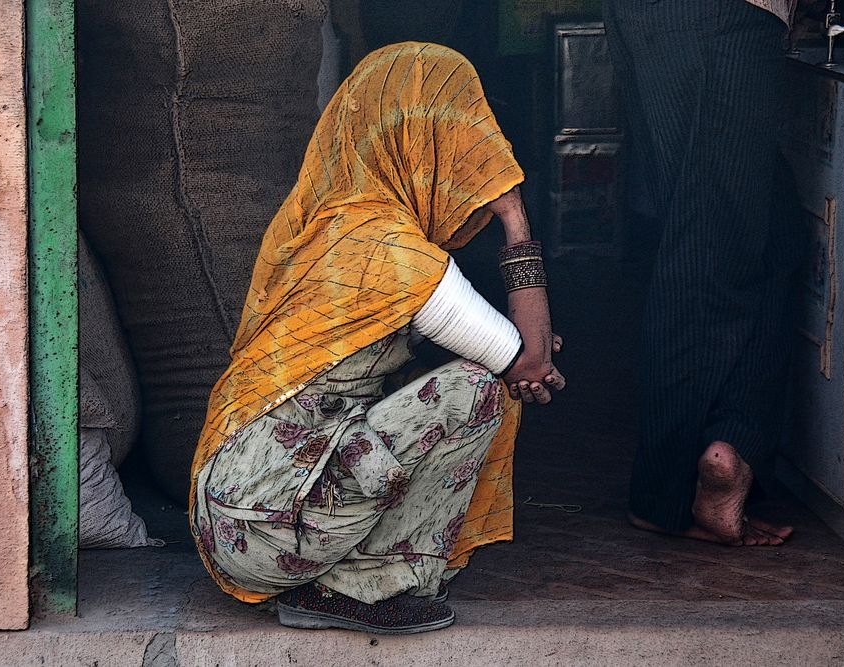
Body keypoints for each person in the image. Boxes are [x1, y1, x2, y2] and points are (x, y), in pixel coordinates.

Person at [189, 42, 564, 634]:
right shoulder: (387, 249)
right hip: (267, 520)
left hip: (240, 510)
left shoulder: (330, 224)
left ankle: (349, 575)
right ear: (422, 142)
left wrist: (516, 349)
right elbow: (527, 361)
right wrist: (514, 216)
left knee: (463, 373)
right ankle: (356, 588)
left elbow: (513, 349)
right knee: (475, 389)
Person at [603, 0, 801, 546]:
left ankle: (731, 443)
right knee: (708, 247)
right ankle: (663, 493)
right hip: (720, 18)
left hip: (671, 19)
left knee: (772, 234)